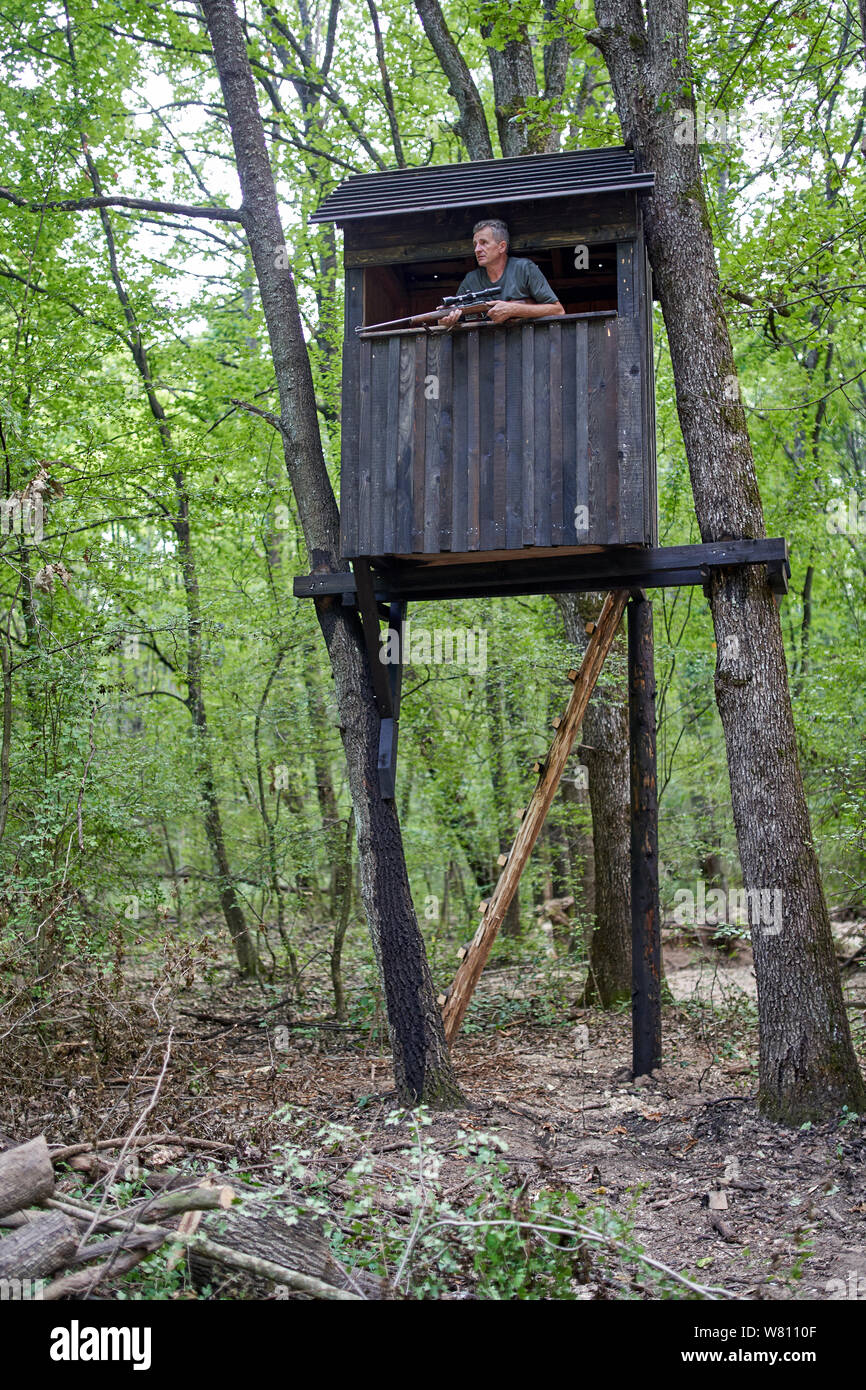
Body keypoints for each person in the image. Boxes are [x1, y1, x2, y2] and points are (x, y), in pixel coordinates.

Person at [440, 219, 564, 327]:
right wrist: (448, 320)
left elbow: (558, 310)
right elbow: (444, 319)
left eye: (484, 243)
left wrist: (513, 309)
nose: (477, 249)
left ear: (502, 247)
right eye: (475, 244)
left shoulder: (524, 268)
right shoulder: (471, 279)